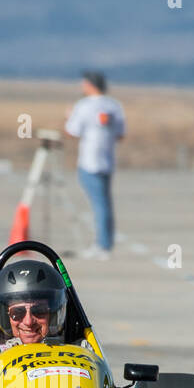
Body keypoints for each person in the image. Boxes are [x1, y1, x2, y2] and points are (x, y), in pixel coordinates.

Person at [65, 71, 125, 261]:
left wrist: (68, 117)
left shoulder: (84, 105)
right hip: (107, 160)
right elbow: (121, 133)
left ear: (91, 85)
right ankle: (105, 243)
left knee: (99, 205)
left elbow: (72, 130)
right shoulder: (114, 105)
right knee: (105, 203)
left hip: (89, 162)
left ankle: (103, 245)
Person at [0, 260, 70, 363]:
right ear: (6, 318)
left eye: (39, 311)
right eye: (18, 313)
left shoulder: (80, 350)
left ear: (52, 315)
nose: (28, 322)